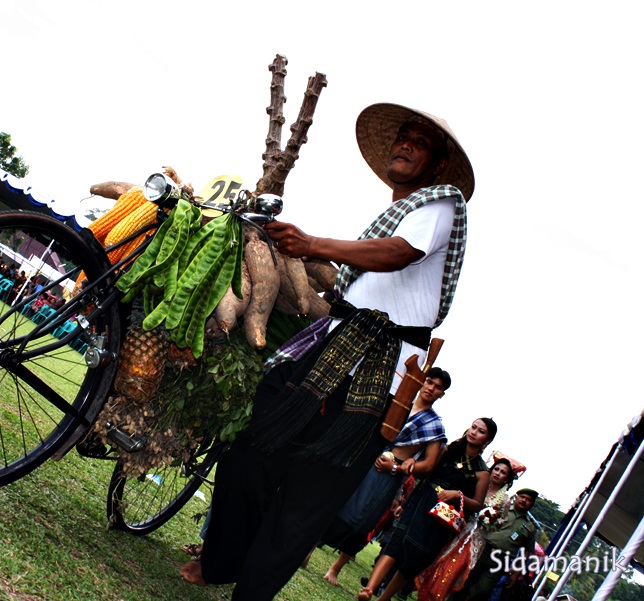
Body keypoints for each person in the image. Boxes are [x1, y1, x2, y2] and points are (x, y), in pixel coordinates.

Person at [181, 102, 473, 601]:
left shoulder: (442, 204)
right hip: (334, 347)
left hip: (377, 374)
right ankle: (221, 560)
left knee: (310, 495)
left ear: (439, 164)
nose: (405, 144)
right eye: (402, 136)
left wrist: (312, 244)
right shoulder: (398, 212)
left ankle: (249, 592)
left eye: (420, 142)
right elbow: (369, 271)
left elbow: (399, 254)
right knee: (251, 447)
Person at [322, 367, 451, 586]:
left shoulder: (434, 424)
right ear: (422, 381)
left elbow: (429, 465)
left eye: (438, 387)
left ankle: (335, 568)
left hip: (389, 474)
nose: (431, 388)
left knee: (365, 519)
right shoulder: (400, 400)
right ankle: (307, 551)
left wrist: (398, 468)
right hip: (366, 457)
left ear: (442, 394)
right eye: (429, 381)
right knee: (338, 500)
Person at [359, 418, 497, 601]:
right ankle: (369, 589)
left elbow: (478, 504)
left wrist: (458, 495)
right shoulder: (449, 450)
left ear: (488, 440)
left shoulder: (482, 472)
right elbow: (426, 474)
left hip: (442, 518)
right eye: (473, 427)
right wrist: (405, 504)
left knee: (415, 559)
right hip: (422, 501)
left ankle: (383, 598)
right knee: (396, 544)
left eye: (481, 431)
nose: (474, 432)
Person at [415, 456, 521, 601]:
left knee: (454, 571)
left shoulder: (505, 500)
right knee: (439, 563)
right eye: (496, 469)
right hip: (457, 530)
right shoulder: (478, 486)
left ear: (507, 479)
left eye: (503, 472)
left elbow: (499, 524)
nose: (497, 473)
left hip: (476, 540)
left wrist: (489, 520)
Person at [452, 489, 540, 601]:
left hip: (501, 560)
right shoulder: (501, 510)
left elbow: (526, 553)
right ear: (516, 497)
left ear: (532, 504)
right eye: (522, 497)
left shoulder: (531, 527)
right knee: (465, 581)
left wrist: (516, 573)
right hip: (483, 550)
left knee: (484, 590)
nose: (524, 501)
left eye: (528, 500)